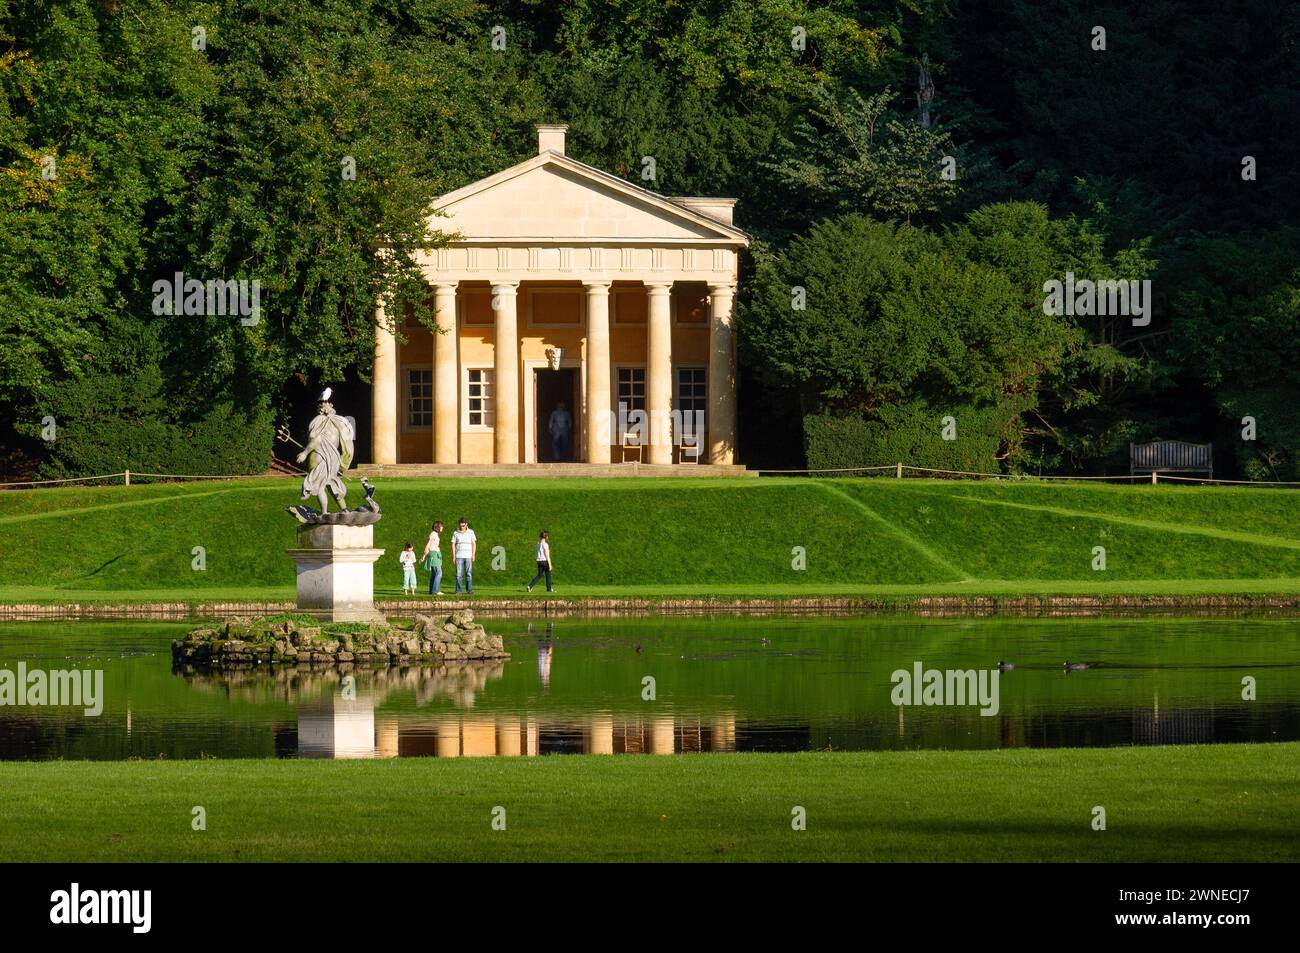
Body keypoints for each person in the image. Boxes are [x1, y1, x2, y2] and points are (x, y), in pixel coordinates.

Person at [451, 517, 477, 595]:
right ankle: (458, 590)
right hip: (459, 556)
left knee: (468, 573)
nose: (462, 526)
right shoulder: (455, 532)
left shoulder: (471, 532)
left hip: (468, 556)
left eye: (463, 525)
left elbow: (474, 543)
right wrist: (454, 556)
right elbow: (453, 544)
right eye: (460, 524)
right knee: (459, 574)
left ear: (466, 524)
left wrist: (473, 554)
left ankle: (469, 590)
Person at [421, 520, 444, 596]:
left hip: (434, 554)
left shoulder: (434, 534)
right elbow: (428, 545)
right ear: (438, 527)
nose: (442, 527)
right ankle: (435, 591)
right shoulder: (433, 534)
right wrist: (423, 556)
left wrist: (424, 556)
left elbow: (429, 545)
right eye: (441, 526)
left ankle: (432, 591)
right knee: (438, 572)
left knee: (434, 573)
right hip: (434, 555)